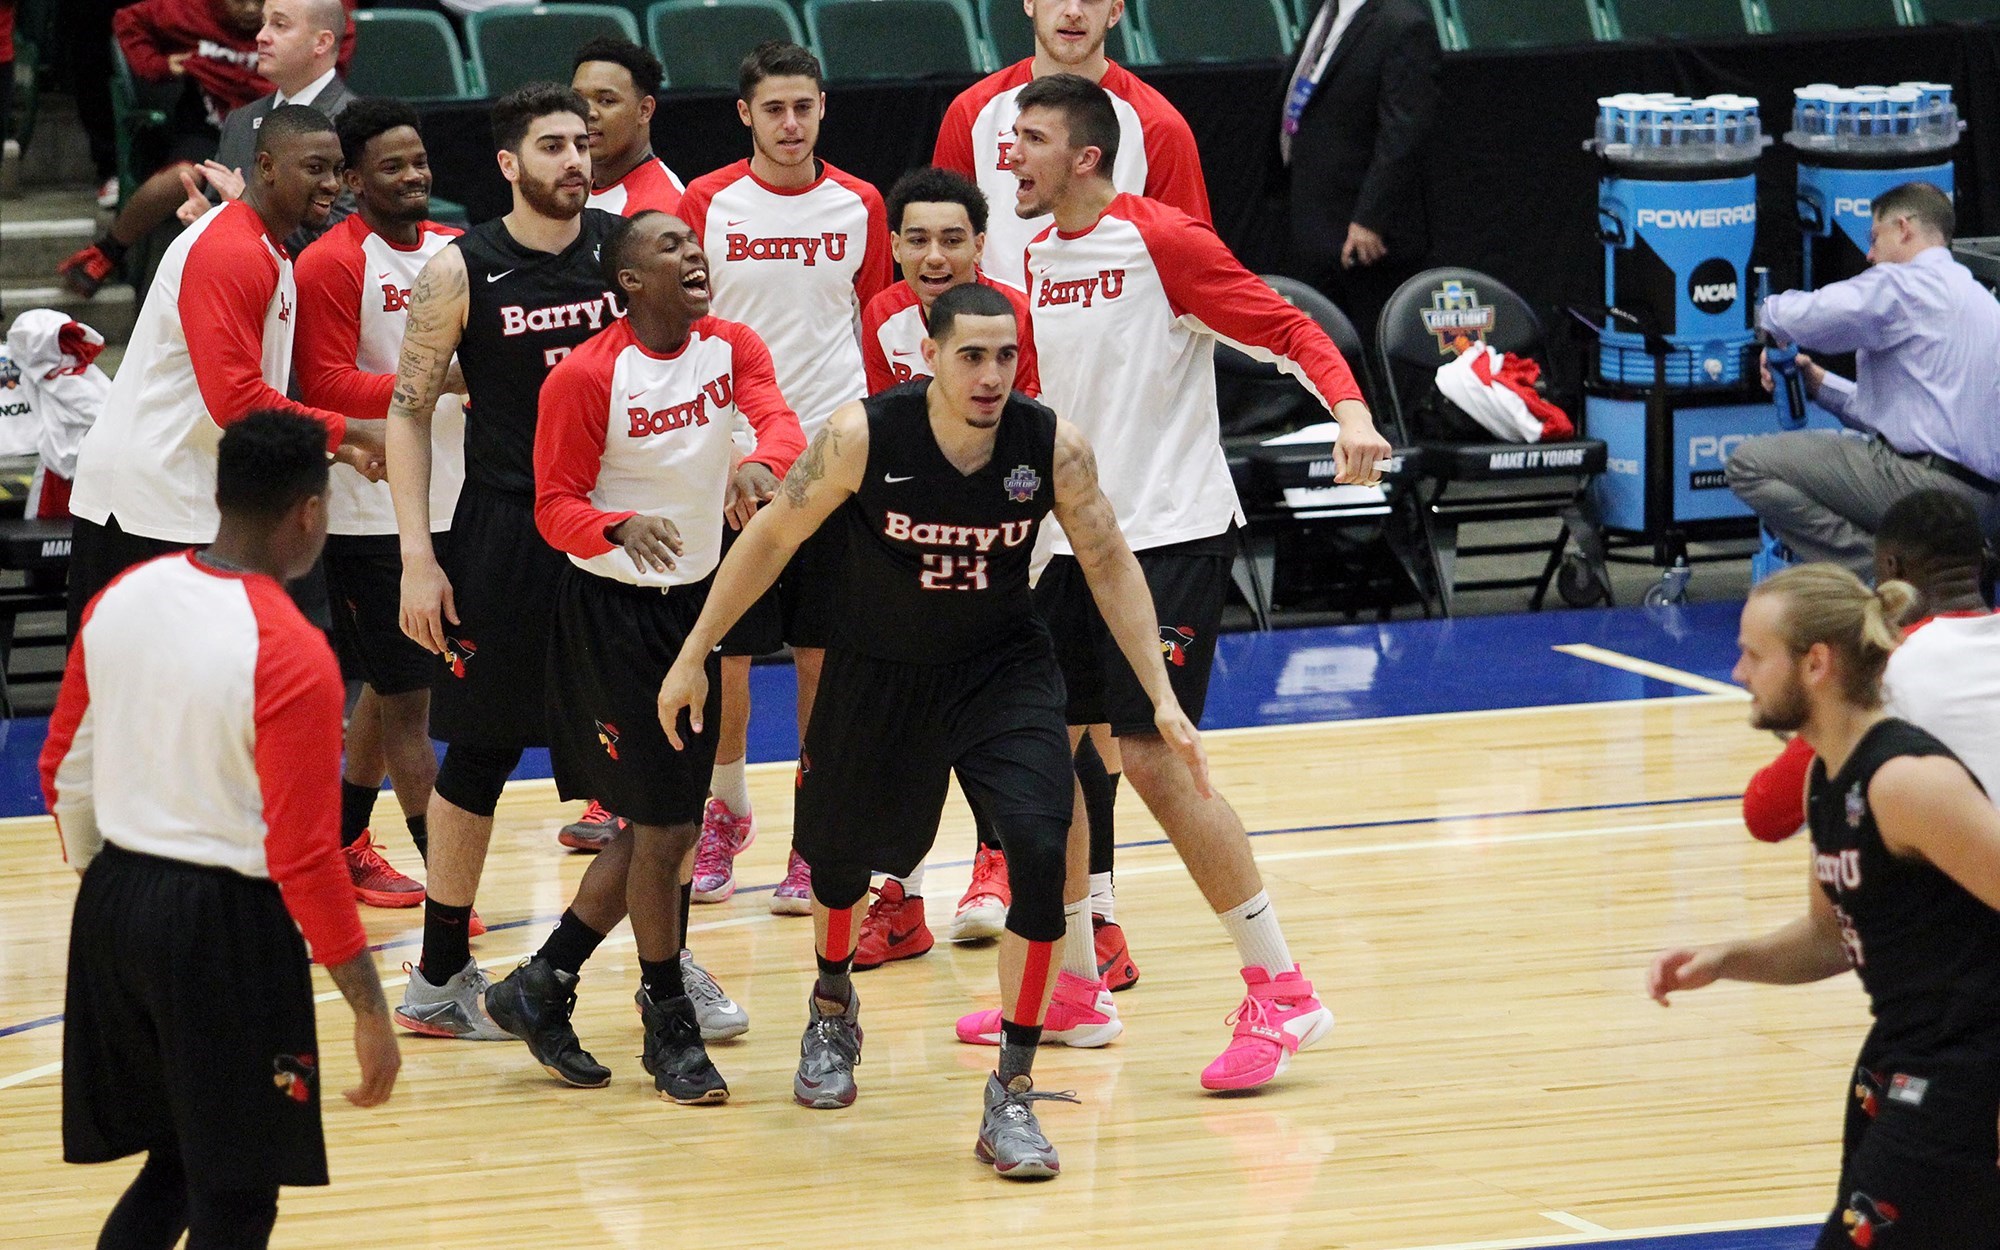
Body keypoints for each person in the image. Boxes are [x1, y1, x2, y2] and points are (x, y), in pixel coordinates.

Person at [657, 281, 1207, 1177]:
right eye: (971, 356)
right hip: (878, 672)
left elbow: (1108, 560)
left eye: (1005, 357)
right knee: (836, 865)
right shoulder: (862, 435)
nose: (991, 375)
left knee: (1038, 839)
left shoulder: (1051, 447)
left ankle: (1014, 1095)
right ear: (931, 353)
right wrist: (695, 649)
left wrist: (1162, 693)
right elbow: (769, 538)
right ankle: (832, 1007)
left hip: (1002, 670)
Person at [984, 73, 1389, 1090]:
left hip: (1165, 537)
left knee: (1150, 757)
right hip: (1061, 549)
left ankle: (1282, 988)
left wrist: (1348, 413)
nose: (1009, 156)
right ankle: (1072, 984)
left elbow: (1290, 329)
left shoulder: (1161, 239)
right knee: (1057, 752)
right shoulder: (1032, 253)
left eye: (1027, 139)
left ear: (1083, 156)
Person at [45, 410, 400, 1250]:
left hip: (115, 905)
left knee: (173, 1165)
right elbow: (306, 855)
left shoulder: (123, 596)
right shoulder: (291, 650)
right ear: (309, 513)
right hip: (220, 931)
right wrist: (369, 1009)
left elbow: (62, 769)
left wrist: (117, 889)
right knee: (238, 1198)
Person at [485, 210, 805, 1101]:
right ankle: (668, 1025)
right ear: (627, 281)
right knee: (665, 827)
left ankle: (541, 986)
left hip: (697, 609)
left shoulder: (732, 344)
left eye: (695, 246)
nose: (693, 255)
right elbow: (554, 506)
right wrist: (617, 524)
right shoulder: (589, 376)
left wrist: (760, 464)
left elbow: (780, 422)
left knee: (658, 823)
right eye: (669, 248)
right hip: (609, 614)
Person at [1648, 563, 2000, 1246]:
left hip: (1964, 1075)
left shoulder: (1906, 784)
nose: (1737, 672)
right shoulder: (1824, 775)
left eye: (1753, 654)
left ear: (1815, 663)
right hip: (1896, 1057)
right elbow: (1831, 938)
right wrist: (1727, 960)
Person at [386, 83, 623, 1039]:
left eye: (583, 143)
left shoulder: (626, 249)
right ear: (507, 165)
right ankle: (441, 977)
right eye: (553, 145)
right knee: (479, 750)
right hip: (504, 530)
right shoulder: (461, 270)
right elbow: (408, 410)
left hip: (614, 532)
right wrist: (416, 553)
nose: (575, 159)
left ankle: (663, 964)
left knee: (650, 764)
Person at [676, 40, 893, 914]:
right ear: (746, 115)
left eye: (805, 107)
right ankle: (726, 809)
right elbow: (686, 330)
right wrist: (722, 448)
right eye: (775, 109)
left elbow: (879, 322)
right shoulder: (707, 200)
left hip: (836, 458)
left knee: (821, 653)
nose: (792, 124)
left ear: (823, 108)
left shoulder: (861, 204)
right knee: (730, 649)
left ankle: (818, 831)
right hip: (733, 461)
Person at [65, 104, 383, 640]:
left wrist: (342, 450)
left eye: (335, 168)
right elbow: (236, 401)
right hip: (152, 502)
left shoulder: (266, 246)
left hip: (181, 491)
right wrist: (354, 429)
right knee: (137, 707)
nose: (331, 184)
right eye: (314, 168)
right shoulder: (230, 249)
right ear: (265, 167)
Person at [851, 164, 1039, 966]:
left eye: (953, 239)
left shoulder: (1012, 316)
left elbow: (1027, 436)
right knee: (901, 728)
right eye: (919, 238)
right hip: (910, 548)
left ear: (980, 245)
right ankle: (900, 900)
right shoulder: (881, 316)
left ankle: (996, 855)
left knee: (987, 713)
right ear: (893, 246)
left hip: (999, 544)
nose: (936, 254)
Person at [294, 98, 464, 907]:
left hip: (457, 498)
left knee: (397, 688)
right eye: (391, 166)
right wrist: (432, 381)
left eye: (419, 161)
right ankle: (448, 892)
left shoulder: (456, 250)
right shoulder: (331, 263)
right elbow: (320, 382)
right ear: (355, 179)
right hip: (372, 512)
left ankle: (344, 840)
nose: (413, 176)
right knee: (406, 702)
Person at [1727, 182, 2000, 579]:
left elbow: (1805, 315)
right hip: (1984, 507)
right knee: (1871, 454)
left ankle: (1889, 578)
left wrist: (1763, 312)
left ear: (1903, 229)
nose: (1870, 255)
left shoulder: (1904, 284)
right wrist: (1819, 384)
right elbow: (1909, 423)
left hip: (1924, 489)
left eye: (1874, 238)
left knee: (1750, 464)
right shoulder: (1981, 301)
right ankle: (1934, 571)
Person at [556, 33, 687, 854]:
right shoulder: (575, 196)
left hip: (650, 438)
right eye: (581, 99)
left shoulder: (657, 204)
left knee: (642, 621)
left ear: (644, 109)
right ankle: (616, 783)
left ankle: (643, 796)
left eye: (607, 100)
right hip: (590, 433)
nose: (591, 114)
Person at [1741, 489, 2000, 843]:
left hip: (1959, 884)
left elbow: (1766, 814)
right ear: (1983, 563)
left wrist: (1816, 729)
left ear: (1891, 568)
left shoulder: (1880, 663)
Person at [933, 0, 1209, 295]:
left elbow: (1191, 267)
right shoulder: (972, 113)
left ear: (1115, 11)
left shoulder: (1158, 126)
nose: (1073, 11)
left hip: (1108, 332)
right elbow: (940, 244)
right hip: (997, 333)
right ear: (1029, 3)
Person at [58, 0, 271, 297]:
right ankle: (108, 251)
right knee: (182, 176)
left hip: (267, 132)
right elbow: (127, 20)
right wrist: (156, 66)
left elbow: (337, 28)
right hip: (206, 129)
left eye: (259, 2)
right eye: (240, 1)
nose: (251, 10)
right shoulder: (191, 12)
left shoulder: (281, 22)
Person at [1279, 0, 1441, 347]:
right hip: (1315, 222)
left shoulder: (1403, 24)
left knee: (1368, 357)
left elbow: (1403, 133)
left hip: (1364, 238)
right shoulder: (1324, 13)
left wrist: (1371, 218)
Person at [177, 0, 360, 255]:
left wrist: (249, 209)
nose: (261, 36)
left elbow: (348, 233)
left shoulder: (357, 123)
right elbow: (222, 205)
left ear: (322, 43)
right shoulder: (240, 120)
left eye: (279, 25)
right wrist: (209, 218)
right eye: (264, 23)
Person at [575, 36, 684, 218]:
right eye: (577, 99)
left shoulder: (660, 210)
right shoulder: (572, 187)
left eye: (606, 101)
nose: (587, 112)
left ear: (644, 110)